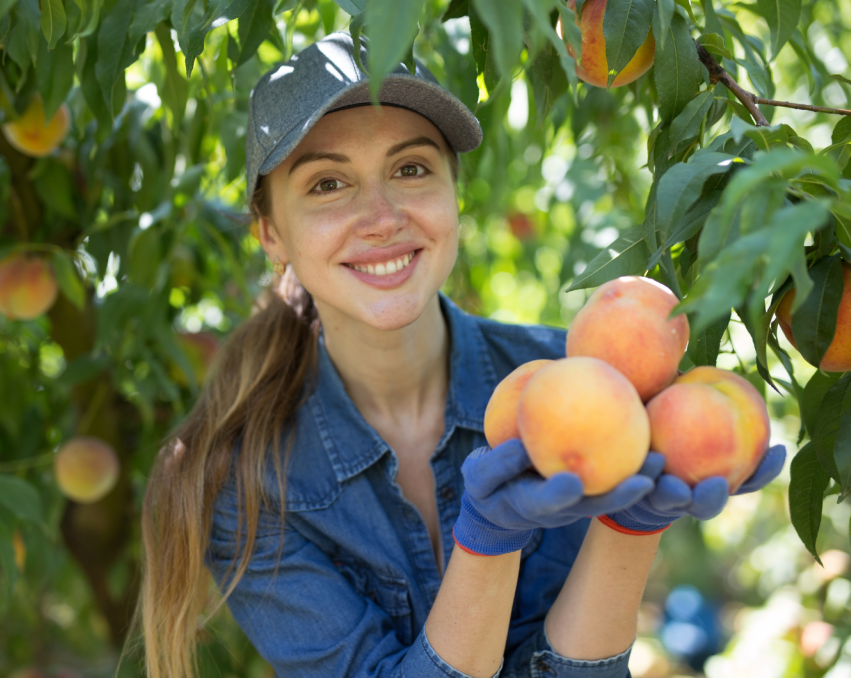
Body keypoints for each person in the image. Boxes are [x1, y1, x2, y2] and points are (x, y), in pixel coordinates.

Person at [135, 32, 785, 678]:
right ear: (271, 233)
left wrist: (628, 529)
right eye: (329, 183)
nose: (382, 216)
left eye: (411, 169)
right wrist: (488, 544)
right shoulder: (245, 484)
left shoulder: (583, 386)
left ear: (454, 192)